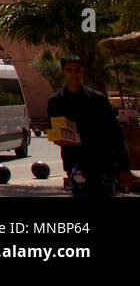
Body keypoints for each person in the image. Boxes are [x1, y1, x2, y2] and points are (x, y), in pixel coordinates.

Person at [47, 54, 136, 198]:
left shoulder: (98, 100)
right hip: (76, 165)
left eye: (77, 70)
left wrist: (123, 168)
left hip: (102, 164)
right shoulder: (56, 102)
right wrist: (58, 139)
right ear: (63, 72)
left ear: (82, 72)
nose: (74, 75)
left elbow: (115, 135)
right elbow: (55, 130)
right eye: (69, 70)